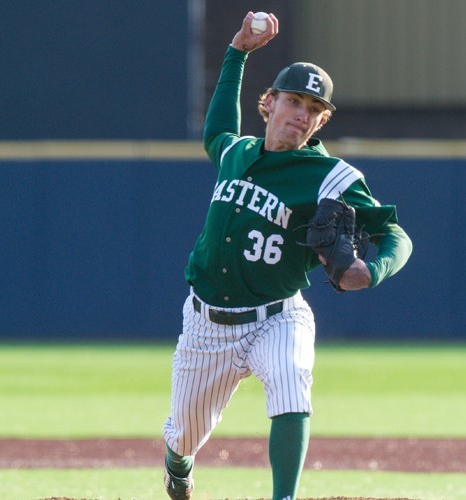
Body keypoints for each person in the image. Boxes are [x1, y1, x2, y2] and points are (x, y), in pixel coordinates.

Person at [162, 11, 412, 500]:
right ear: (270, 102)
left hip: (278, 315)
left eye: (313, 108)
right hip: (206, 324)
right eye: (294, 100)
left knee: (291, 384)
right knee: (187, 432)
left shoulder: (330, 176)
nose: (301, 113)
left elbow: (395, 234)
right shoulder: (236, 154)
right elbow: (216, 130)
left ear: (322, 120)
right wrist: (237, 53)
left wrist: (373, 269)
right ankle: (178, 461)